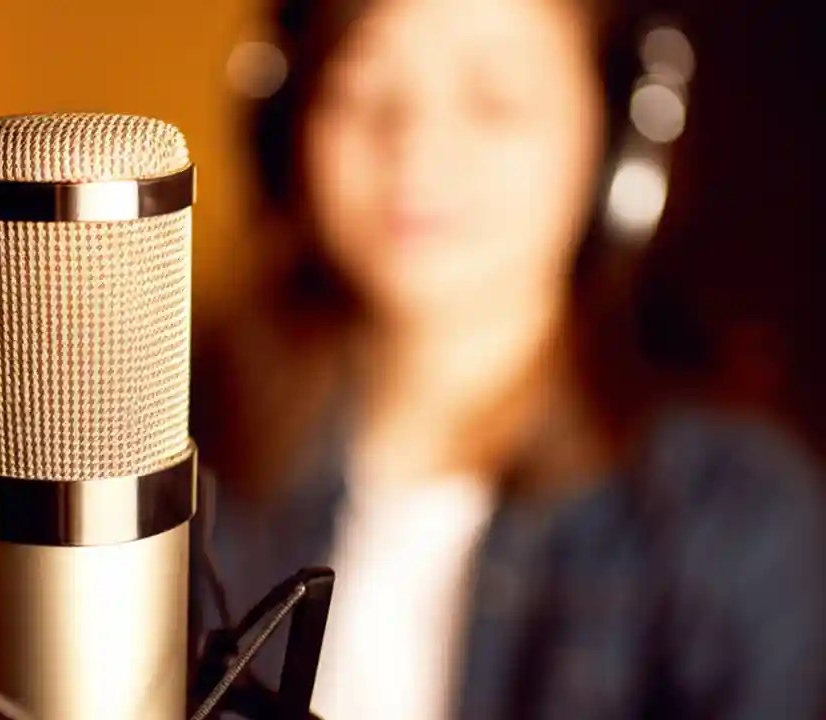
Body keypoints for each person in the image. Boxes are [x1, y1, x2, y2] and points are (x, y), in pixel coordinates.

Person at [190, 0, 826, 717]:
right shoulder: (179, 456)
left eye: (495, 103)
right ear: (285, 129)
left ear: (620, 141)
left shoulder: (737, 516)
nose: (417, 149)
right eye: (365, 91)